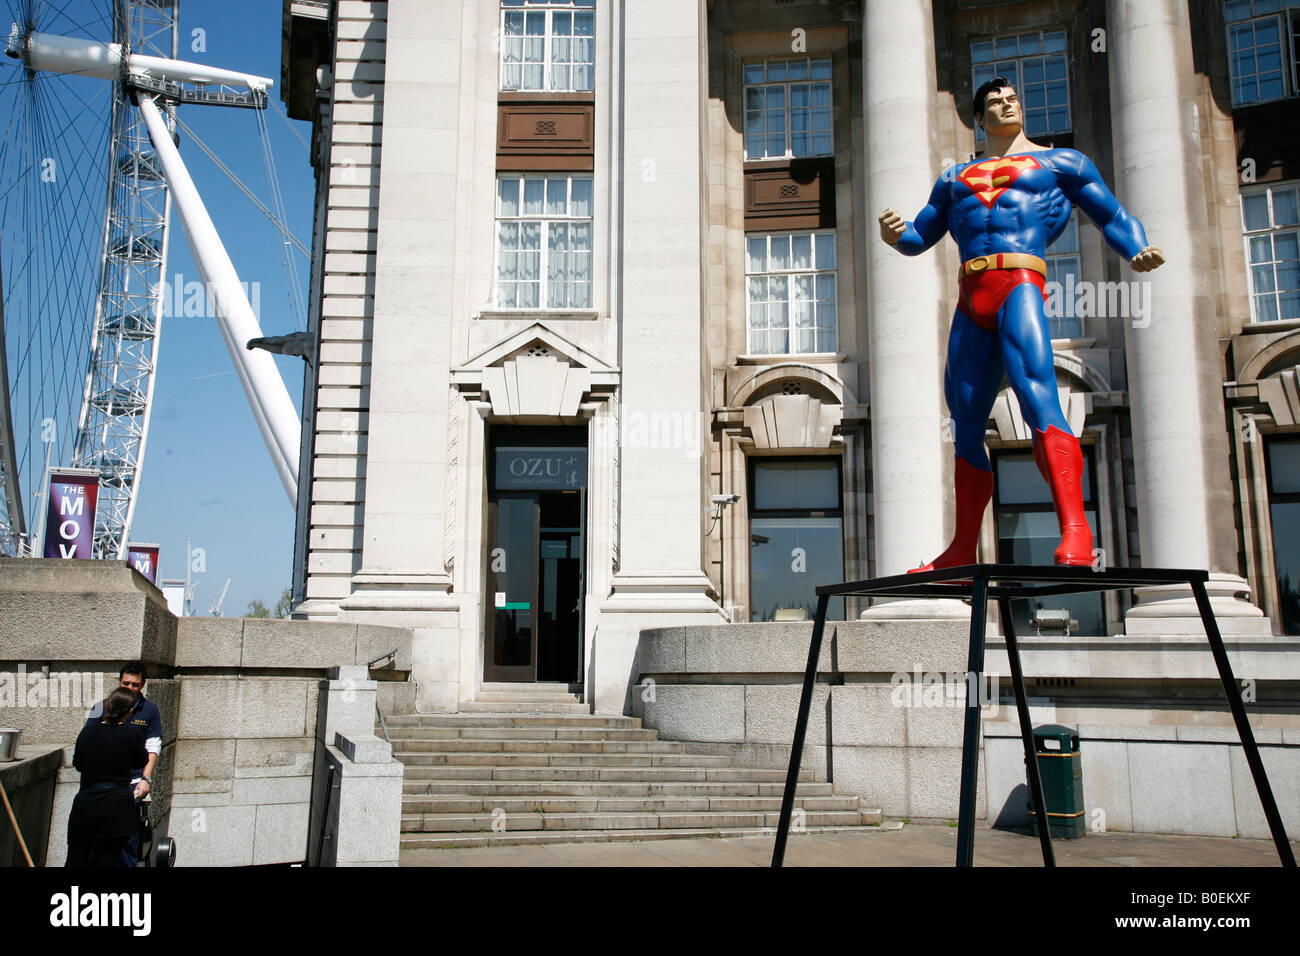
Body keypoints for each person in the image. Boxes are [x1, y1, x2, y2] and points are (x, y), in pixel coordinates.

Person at [878, 75, 1164, 572]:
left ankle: (1076, 532)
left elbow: (1113, 214)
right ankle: (961, 549)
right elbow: (920, 236)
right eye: (994, 102)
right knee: (965, 422)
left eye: (1012, 99)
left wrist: (1135, 248)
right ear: (978, 118)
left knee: (1038, 400)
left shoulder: (1061, 162)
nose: (1006, 106)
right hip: (972, 296)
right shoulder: (953, 178)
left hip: (1019, 285)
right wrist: (897, 235)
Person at [67, 686, 148, 866]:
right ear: (130, 711)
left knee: (76, 858)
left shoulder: (88, 732)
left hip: (86, 802)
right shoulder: (132, 734)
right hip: (117, 805)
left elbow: (78, 763)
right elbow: (140, 762)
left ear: (108, 706)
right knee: (108, 859)